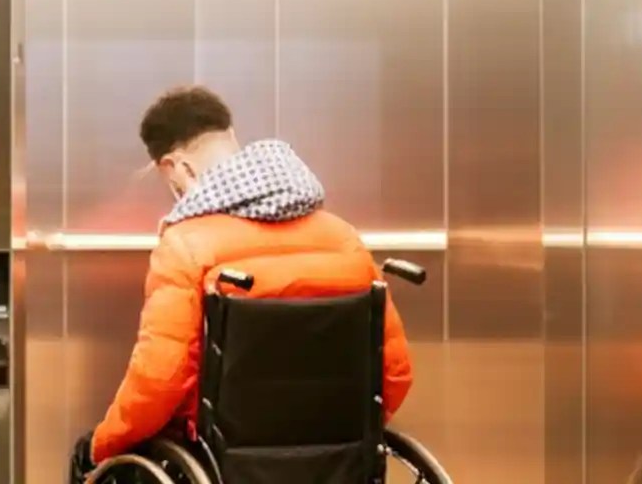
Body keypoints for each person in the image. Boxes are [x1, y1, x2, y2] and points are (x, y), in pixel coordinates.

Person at [70, 85, 414, 479]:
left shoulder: (185, 248)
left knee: (97, 458)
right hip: (337, 460)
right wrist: (332, 436)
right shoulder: (344, 239)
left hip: (224, 464)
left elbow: (158, 381)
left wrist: (101, 445)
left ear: (177, 169)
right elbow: (395, 374)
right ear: (232, 140)